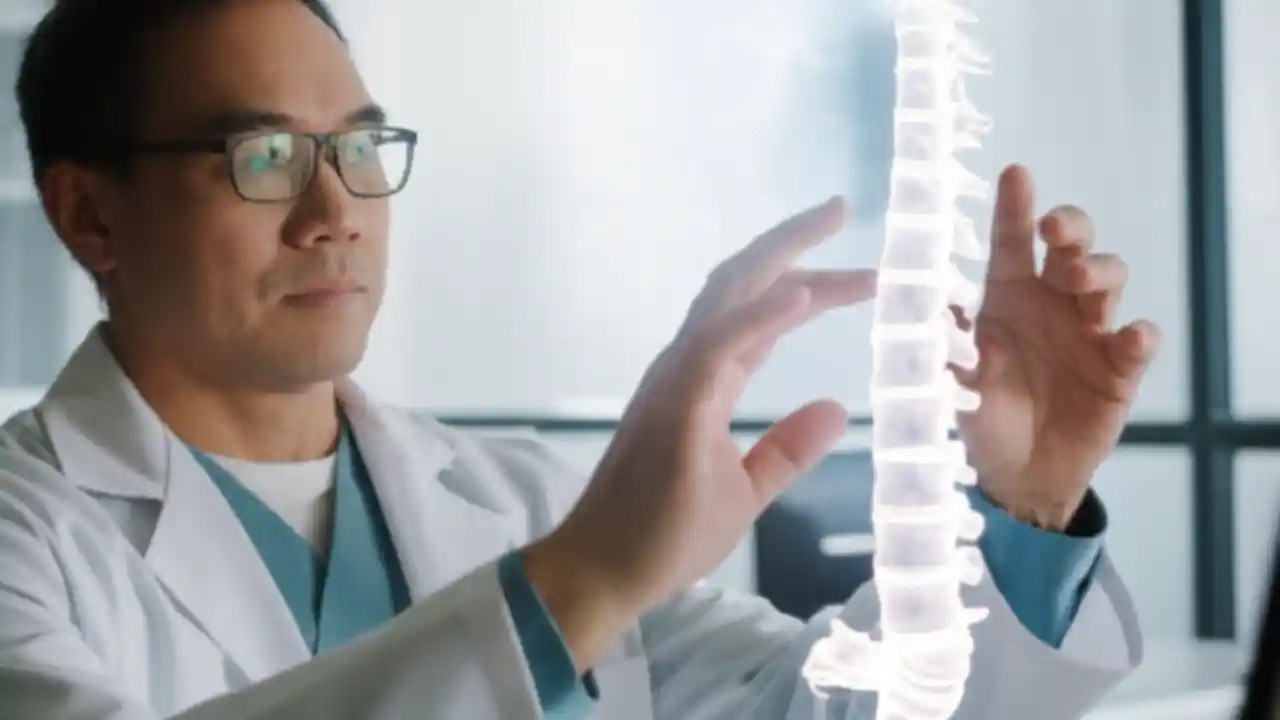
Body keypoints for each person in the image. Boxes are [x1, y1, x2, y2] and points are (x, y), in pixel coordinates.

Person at [0, 0, 1161, 718]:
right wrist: (583, 581)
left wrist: (1022, 501)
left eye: (358, 147)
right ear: (89, 216)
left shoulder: (512, 502)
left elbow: (841, 715)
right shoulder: (25, 540)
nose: (335, 211)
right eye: (262, 155)